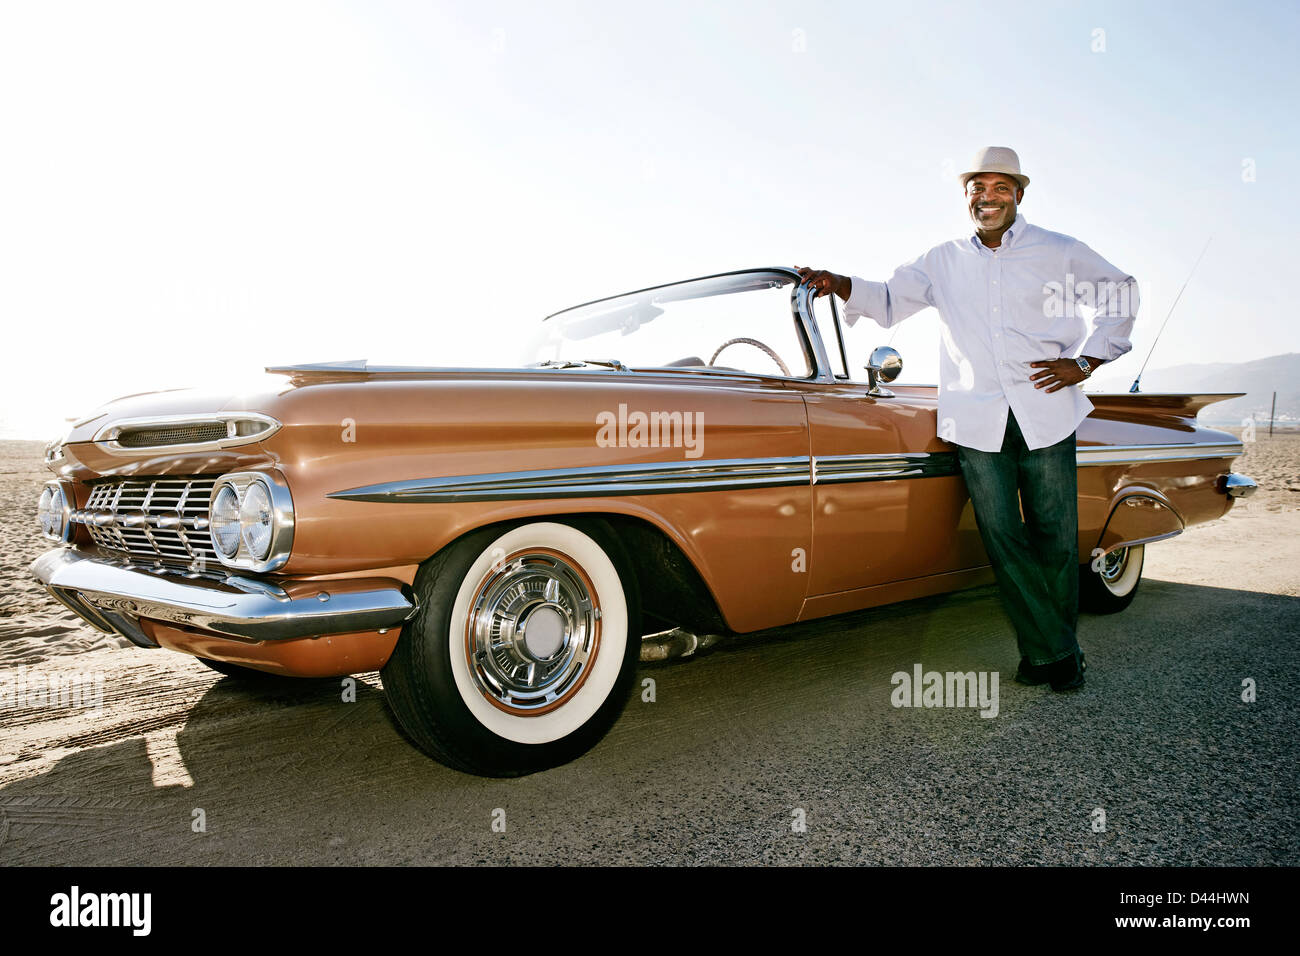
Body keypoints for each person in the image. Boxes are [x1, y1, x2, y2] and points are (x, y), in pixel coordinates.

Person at [796, 146, 1139, 691]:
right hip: (976, 420)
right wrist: (836, 281)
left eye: (1001, 187)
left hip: (1046, 410)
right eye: (978, 188)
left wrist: (1085, 362)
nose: (988, 197)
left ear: (1019, 195)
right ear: (967, 197)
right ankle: (1055, 650)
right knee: (1002, 536)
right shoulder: (942, 260)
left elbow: (1120, 292)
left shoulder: (1060, 251)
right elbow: (887, 299)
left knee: (1053, 534)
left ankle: (1046, 653)